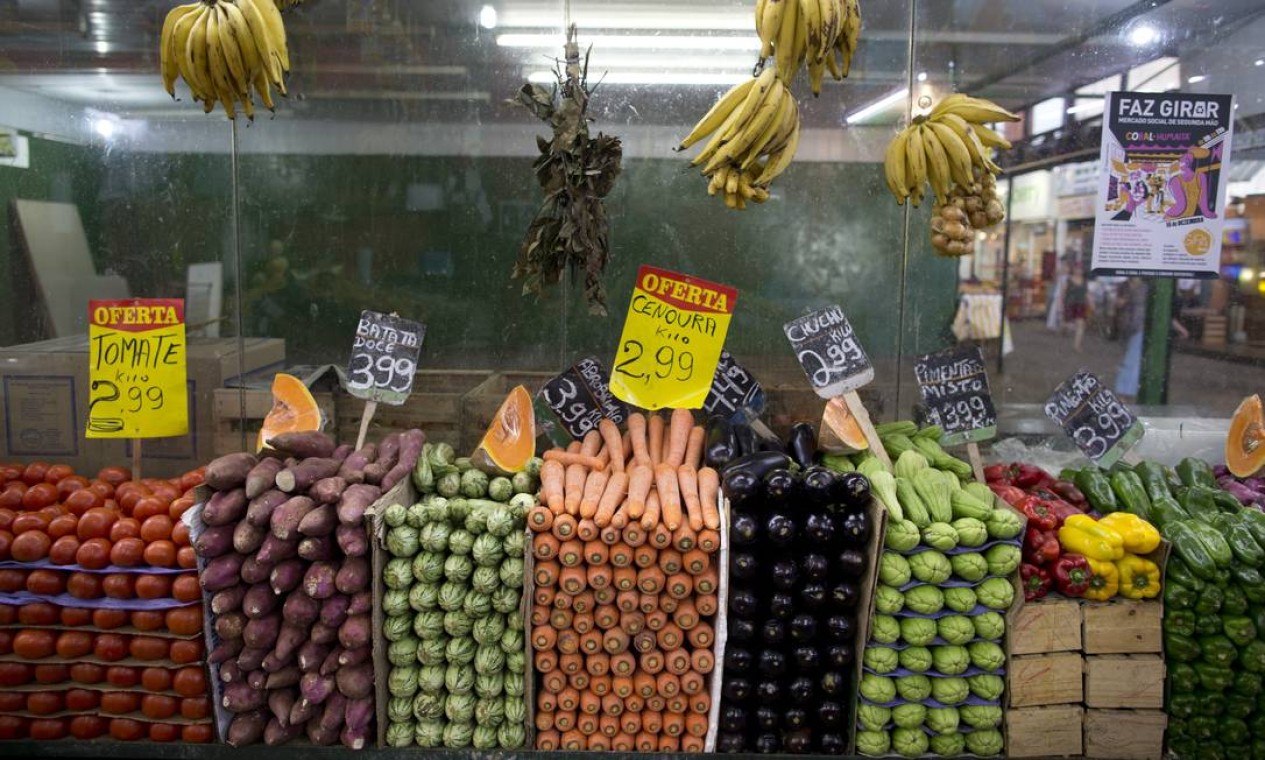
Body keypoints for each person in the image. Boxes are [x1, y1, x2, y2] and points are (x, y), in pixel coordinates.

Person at [1064, 269, 1088, 352]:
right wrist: (1061, 303)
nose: (1079, 271)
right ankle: (1064, 328)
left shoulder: (1084, 281)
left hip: (1081, 304)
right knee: (1069, 325)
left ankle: (1077, 345)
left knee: (1080, 324)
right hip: (1070, 304)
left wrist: (1091, 302)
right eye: (1077, 269)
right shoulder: (1069, 280)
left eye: (1080, 269)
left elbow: (1086, 293)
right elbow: (1063, 291)